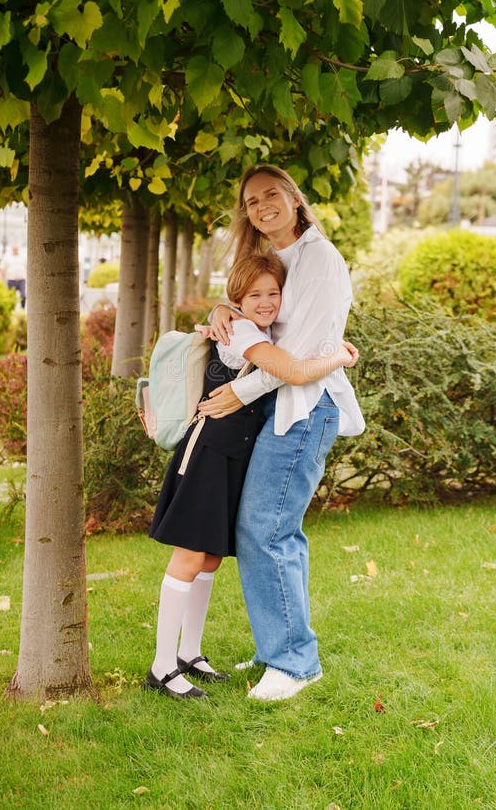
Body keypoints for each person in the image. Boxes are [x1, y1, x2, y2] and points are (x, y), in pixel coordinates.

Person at [145, 253, 358, 701]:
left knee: (210, 559)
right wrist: (338, 354)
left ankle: (191, 654)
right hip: (207, 454)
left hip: (231, 457)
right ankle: (162, 666)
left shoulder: (257, 329)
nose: (266, 302)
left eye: (273, 293)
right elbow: (292, 371)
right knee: (189, 556)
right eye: (254, 295)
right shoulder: (241, 331)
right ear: (237, 300)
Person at [199, 164, 365, 702]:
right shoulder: (277, 260)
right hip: (281, 404)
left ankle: (295, 662)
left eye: (272, 194)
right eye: (251, 201)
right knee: (266, 530)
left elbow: (301, 357)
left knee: (267, 529)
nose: (262, 205)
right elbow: (257, 312)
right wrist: (223, 308)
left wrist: (238, 393)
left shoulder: (317, 260)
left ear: (295, 198)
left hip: (306, 405)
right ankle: (278, 648)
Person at [0, 244, 27, 308]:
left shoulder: (23, 257)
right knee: (11, 297)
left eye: (16, 249)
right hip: (11, 280)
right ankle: (12, 310)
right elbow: (2, 268)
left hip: (21, 280)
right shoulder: (7, 257)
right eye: (14, 249)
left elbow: (27, 267)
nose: (15, 250)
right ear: (12, 249)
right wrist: (2, 279)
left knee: (23, 295)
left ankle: (22, 309)